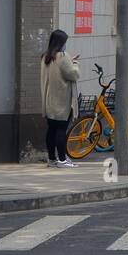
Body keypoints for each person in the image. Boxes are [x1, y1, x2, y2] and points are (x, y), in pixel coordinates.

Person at [39, 29, 80, 168]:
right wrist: (75, 63)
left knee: (51, 130)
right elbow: (73, 74)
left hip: (49, 100)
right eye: (65, 42)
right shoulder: (62, 56)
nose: (65, 45)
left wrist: (70, 61)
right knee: (61, 129)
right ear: (60, 43)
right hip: (62, 100)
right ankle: (62, 160)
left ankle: (52, 159)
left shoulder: (46, 56)